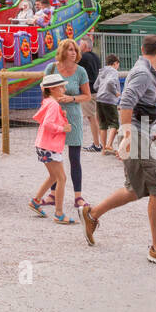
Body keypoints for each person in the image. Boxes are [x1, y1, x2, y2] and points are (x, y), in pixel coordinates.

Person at [80, 34, 156, 268]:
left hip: (138, 135)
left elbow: (149, 107)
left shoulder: (146, 71)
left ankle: (91, 214)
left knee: (134, 189)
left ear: (143, 49)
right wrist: (129, 136)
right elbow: (126, 103)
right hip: (137, 136)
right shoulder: (144, 73)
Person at [38, 38, 92, 211]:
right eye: (70, 49)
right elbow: (44, 90)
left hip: (73, 117)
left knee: (74, 158)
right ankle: (53, 194)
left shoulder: (81, 71)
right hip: (55, 117)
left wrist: (72, 98)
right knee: (55, 157)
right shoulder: (51, 68)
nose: (73, 52)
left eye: (75, 49)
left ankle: (78, 196)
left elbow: (87, 96)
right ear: (62, 52)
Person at [28, 72, 77, 224]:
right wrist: (63, 128)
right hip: (49, 146)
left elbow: (46, 120)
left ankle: (36, 201)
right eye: (61, 86)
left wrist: (61, 116)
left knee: (54, 177)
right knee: (61, 178)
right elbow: (48, 124)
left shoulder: (48, 102)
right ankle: (59, 213)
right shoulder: (54, 104)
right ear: (54, 89)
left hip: (43, 145)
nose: (63, 88)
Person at [77, 37, 103, 152]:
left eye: (81, 44)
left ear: (86, 46)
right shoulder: (96, 57)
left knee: (91, 118)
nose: (79, 46)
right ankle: (102, 143)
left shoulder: (83, 57)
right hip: (97, 90)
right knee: (97, 117)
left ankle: (97, 144)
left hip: (88, 91)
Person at [93, 54, 121, 153]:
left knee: (103, 124)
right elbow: (110, 83)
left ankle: (104, 148)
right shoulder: (114, 71)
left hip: (100, 99)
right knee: (115, 123)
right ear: (115, 63)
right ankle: (109, 145)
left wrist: (101, 90)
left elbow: (95, 86)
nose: (118, 66)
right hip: (109, 99)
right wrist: (115, 92)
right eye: (118, 64)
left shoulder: (102, 71)